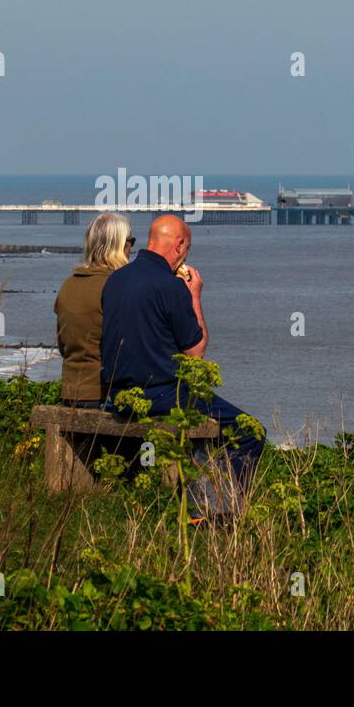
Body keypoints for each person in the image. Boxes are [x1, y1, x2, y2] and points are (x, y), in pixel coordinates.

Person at [100, 214, 264, 519]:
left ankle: (195, 501)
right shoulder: (170, 286)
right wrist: (194, 296)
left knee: (203, 431)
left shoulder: (115, 280)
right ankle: (215, 512)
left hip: (118, 394)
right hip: (161, 396)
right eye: (186, 251)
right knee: (250, 432)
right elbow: (195, 352)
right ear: (179, 245)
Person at [53, 212, 134, 407]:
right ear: (120, 246)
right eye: (130, 241)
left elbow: (63, 345)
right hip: (105, 395)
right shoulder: (118, 286)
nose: (131, 248)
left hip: (71, 392)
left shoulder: (68, 285)